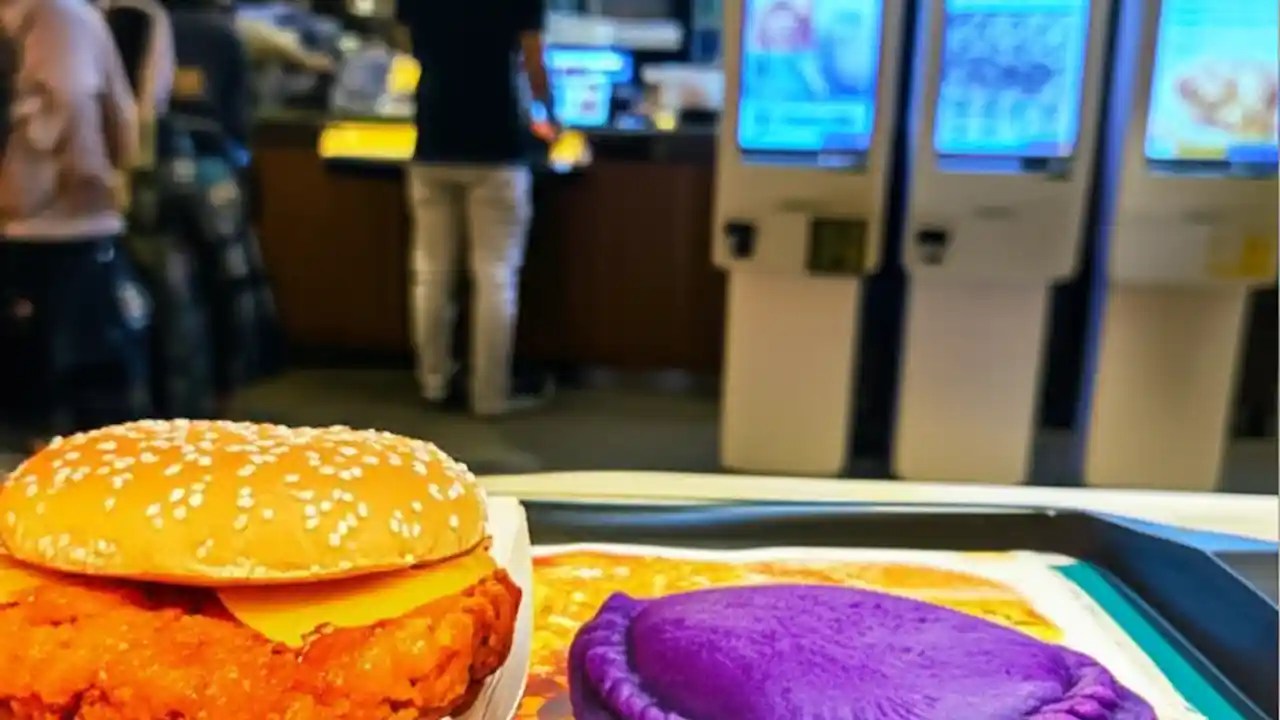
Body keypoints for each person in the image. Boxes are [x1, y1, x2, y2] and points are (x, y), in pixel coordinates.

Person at [394, 0, 556, 417]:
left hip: (433, 137)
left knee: (431, 272)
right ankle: (490, 395)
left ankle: (433, 383)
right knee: (495, 274)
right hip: (497, 143)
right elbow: (533, 60)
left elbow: (408, 46)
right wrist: (550, 113)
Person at [0, 0, 147, 449]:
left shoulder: (46, 13)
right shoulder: (60, 13)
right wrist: (95, 178)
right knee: (80, 404)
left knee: (43, 400)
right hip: (63, 225)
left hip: (43, 225)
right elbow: (72, 98)